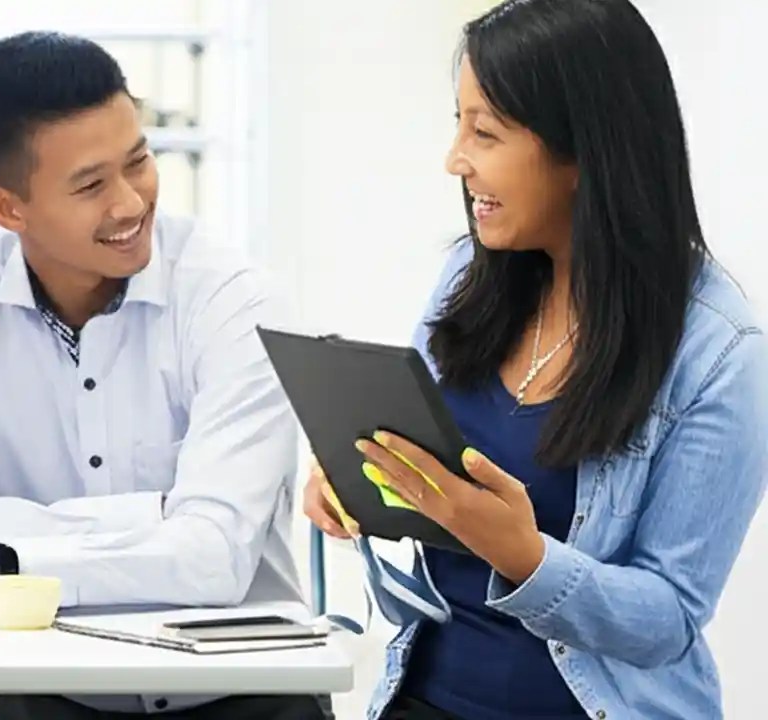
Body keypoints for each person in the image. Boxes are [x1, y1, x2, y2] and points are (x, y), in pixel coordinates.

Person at [303, 1, 767, 719]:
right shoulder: (468, 277)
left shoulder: (720, 352)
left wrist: (527, 556)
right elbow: (423, 473)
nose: (455, 160)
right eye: (459, 125)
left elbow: (670, 617)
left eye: (484, 133)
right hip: (421, 699)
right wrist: (355, 478)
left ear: (584, 149)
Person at [0, 32, 327, 720]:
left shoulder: (233, 299)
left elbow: (215, 556)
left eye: (139, 161)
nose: (130, 203)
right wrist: (157, 517)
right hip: (50, 689)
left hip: (247, 692)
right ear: (7, 208)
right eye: (91, 185)